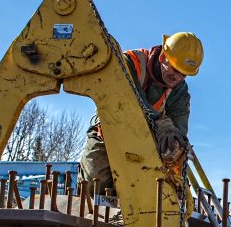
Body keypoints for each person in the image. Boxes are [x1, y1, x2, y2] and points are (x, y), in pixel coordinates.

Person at [79, 32, 204, 195]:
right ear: (163, 57)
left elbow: (179, 130)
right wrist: (161, 123)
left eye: (184, 74)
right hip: (110, 134)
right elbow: (131, 99)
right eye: (175, 69)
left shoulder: (179, 91)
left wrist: (175, 149)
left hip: (146, 145)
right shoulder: (130, 63)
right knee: (94, 185)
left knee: (153, 193)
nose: (178, 77)